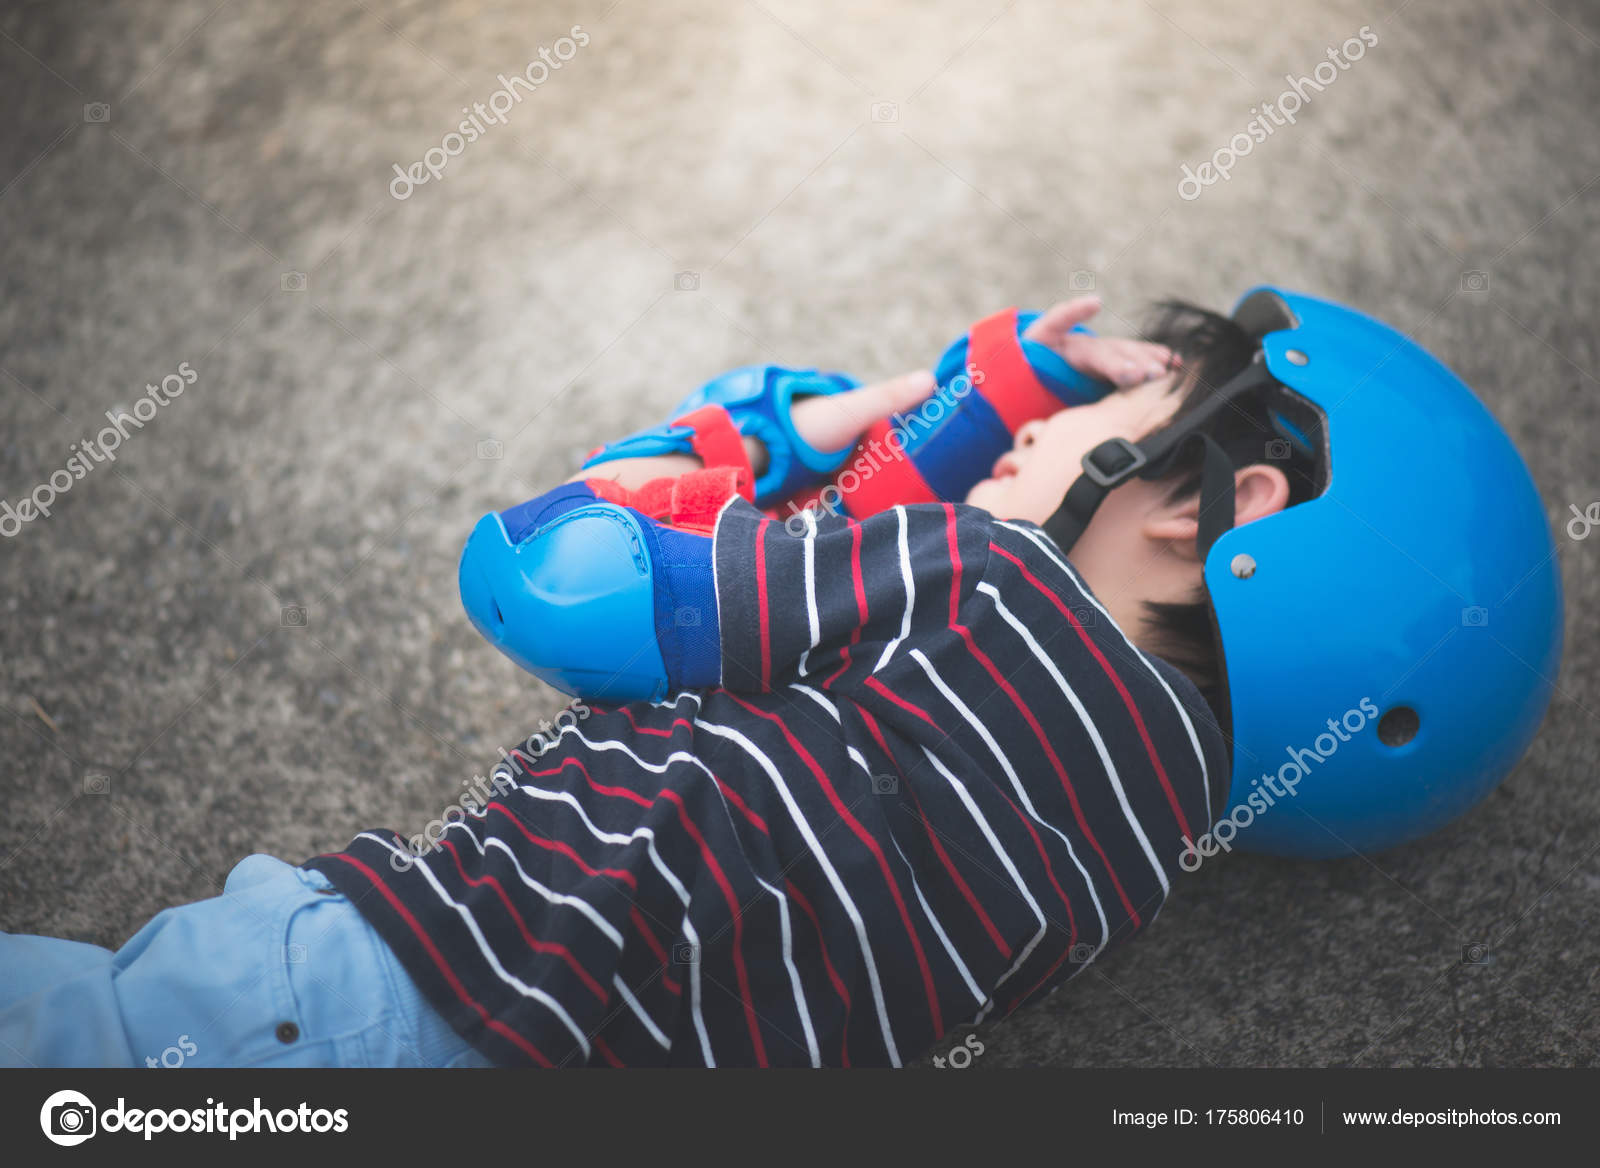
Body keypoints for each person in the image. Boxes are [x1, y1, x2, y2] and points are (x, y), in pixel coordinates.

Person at [1, 288, 1560, 1067]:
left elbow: (559, 577)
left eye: (1094, 419)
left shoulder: (981, 579)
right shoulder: (1142, 852)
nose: (1029, 435)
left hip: (421, 987)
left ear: (1208, 511)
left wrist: (864, 415)